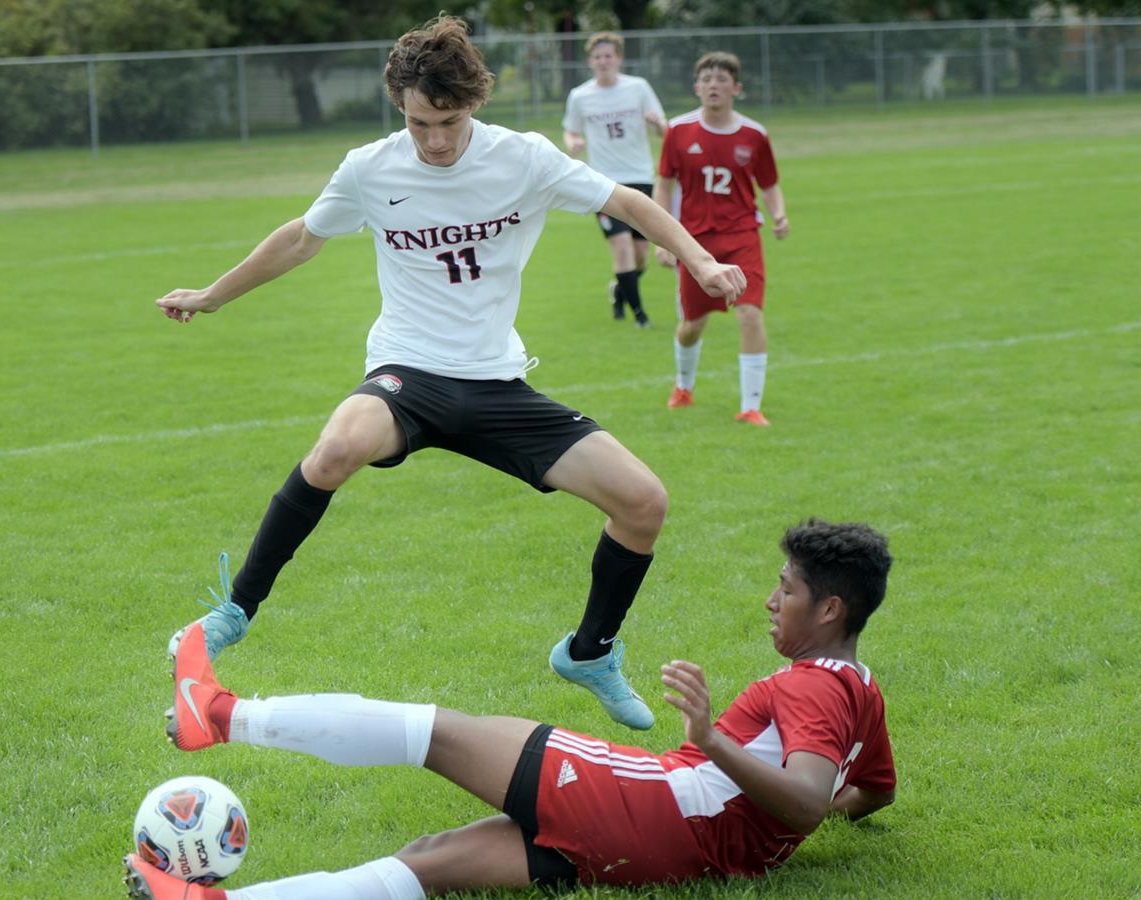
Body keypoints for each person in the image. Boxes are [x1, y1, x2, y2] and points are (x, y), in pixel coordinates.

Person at [152, 16, 746, 730]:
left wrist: (700, 260)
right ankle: (234, 612)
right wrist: (213, 295)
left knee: (644, 502)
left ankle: (590, 653)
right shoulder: (369, 168)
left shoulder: (523, 158)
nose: (433, 140)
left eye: (448, 122)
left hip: (496, 382)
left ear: (475, 103)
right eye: (417, 123)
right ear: (399, 108)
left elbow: (626, 201)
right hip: (409, 372)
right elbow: (302, 239)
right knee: (336, 447)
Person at [124, 519, 897, 900]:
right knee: (431, 861)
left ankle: (217, 713)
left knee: (431, 732)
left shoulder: (809, 686)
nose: (771, 600)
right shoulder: (861, 689)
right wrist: (796, 817)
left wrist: (711, 741)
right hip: (669, 849)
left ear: (830, 608)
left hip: (646, 804)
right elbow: (870, 793)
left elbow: (805, 801)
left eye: (787, 590)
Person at [655, 53, 788, 426]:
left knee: (750, 313)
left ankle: (751, 406)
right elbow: (664, 185)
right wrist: (662, 239)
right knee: (692, 325)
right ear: (697, 87)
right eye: (707, 79)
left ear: (736, 88)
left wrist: (779, 214)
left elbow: (769, 184)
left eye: (722, 79)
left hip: (743, 236)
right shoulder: (678, 130)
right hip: (694, 242)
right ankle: (683, 386)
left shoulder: (754, 135)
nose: (713, 85)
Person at [561, 32, 667, 327]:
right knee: (621, 247)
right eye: (597, 57)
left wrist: (657, 124)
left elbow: (663, 129)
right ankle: (641, 317)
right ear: (590, 61)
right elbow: (571, 130)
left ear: (619, 58)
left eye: (608, 56)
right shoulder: (580, 95)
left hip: (641, 176)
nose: (603, 61)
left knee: (640, 254)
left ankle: (620, 291)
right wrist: (573, 142)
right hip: (604, 183)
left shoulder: (638, 88)